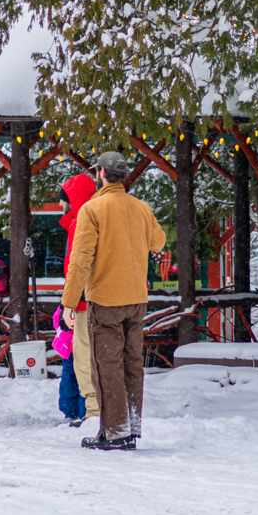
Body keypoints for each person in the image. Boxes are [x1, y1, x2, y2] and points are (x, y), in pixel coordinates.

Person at [60, 152, 165, 451]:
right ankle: (131, 426)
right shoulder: (140, 208)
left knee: (107, 365)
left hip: (105, 299)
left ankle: (115, 430)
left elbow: (80, 261)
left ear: (101, 173)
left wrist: (69, 302)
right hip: (136, 299)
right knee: (133, 363)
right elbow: (158, 242)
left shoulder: (92, 210)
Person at [56, 171, 99, 425]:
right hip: (89, 299)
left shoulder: (79, 224)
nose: (60, 205)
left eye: (64, 199)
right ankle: (88, 408)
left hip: (82, 303)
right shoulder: (85, 221)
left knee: (83, 357)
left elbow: (78, 266)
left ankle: (91, 410)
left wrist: (69, 304)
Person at [53, 307, 86, 425]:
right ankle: (83, 412)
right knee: (83, 380)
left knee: (69, 379)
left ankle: (71, 410)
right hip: (80, 347)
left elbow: (56, 321)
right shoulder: (87, 304)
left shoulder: (66, 305)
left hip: (68, 346)